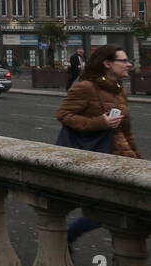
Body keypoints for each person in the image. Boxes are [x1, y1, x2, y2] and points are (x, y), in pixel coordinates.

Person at [57, 45, 141, 246]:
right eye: (124, 60)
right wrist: (98, 123)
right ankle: (69, 235)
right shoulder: (86, 88)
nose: (129, 64)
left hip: (124, 158)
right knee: (113, 211)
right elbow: (64, 115)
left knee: (124, 212)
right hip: (103, 157)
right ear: (107, 63)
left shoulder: (120, 90)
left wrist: (137, 158)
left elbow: (125, 130)